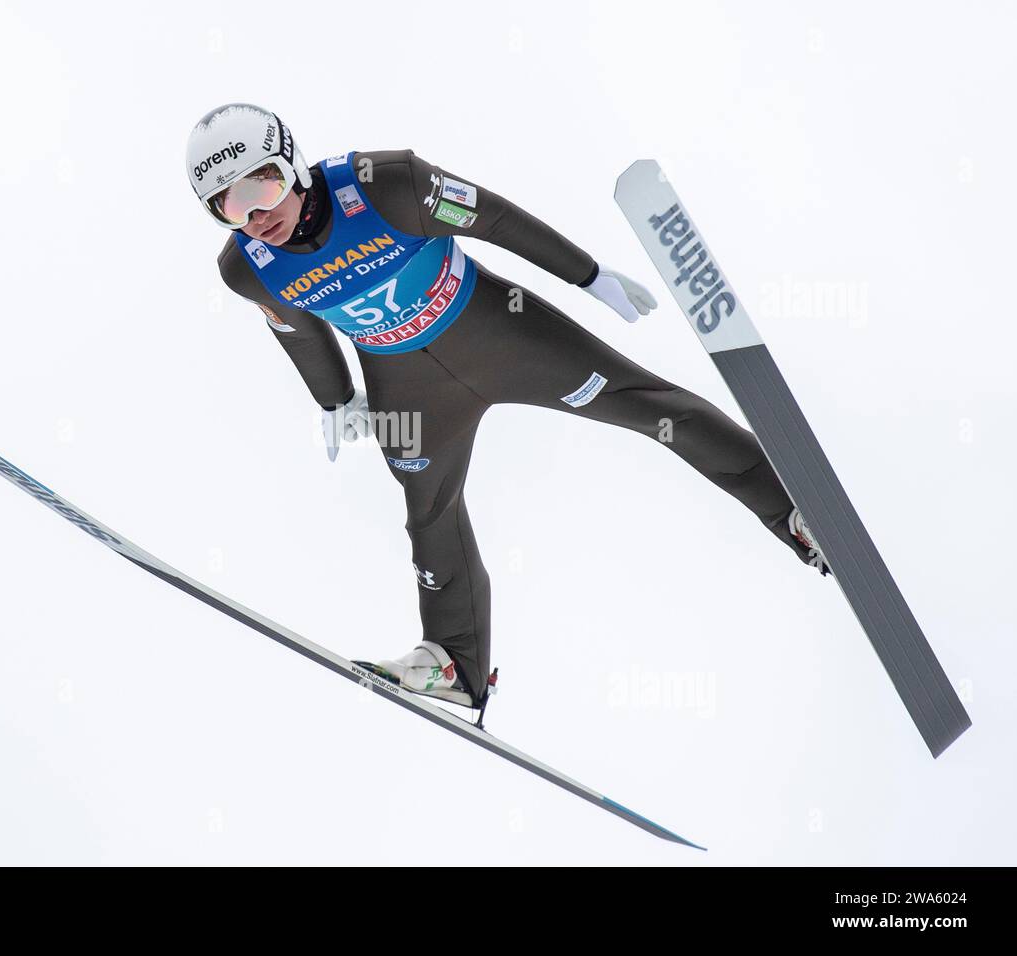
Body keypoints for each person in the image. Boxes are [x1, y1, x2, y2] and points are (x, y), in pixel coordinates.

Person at [186, 103, 826, 708]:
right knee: (428, 514)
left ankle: (797, 512)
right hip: (409, 393)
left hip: (502, 336)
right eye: (228, 205)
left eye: (262, 187)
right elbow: (295, 327)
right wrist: (332, 399)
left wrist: (587, 274)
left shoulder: (385, 185)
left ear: (292, 162)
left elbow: (494, 220)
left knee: (649, 409)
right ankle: (455, 667)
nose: (253, 215)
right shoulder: (248, 266)